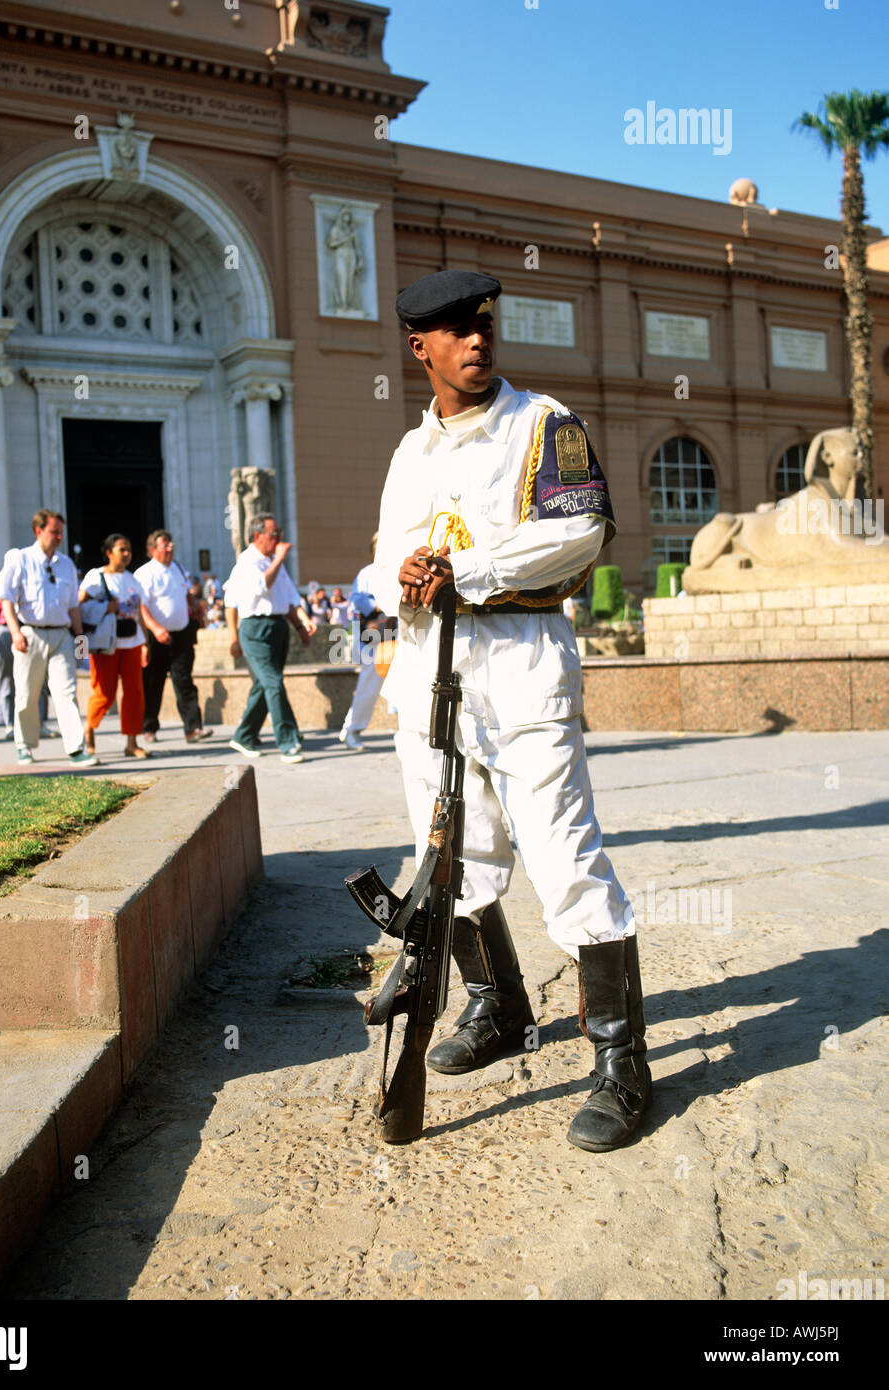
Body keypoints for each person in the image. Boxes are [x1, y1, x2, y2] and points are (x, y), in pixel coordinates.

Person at [374, 269, 650, 1152]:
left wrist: (471, 570)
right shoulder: (409, 453)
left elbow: (581, 529)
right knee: (452, 859)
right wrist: (405, 581)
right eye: (454, 331)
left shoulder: (544, 424)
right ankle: (497, 1007)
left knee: (566, 860)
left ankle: (619, 1062)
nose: (476, 341)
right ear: (420, 348)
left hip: (522, 670)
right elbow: (381, 561)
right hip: (428, 675)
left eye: (484, 325)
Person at [0, 508, 98, 768]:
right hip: (30, 633)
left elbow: (73, 606)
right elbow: (5, 599)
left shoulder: (67, 565)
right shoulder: (20, 559)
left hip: (61, 634)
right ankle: (24, 744)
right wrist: (16, 632)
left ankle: (76, 748)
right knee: (27, 692)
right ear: (39, 531)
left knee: (67, 691)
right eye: (54, 532)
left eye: (61, 532)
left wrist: (80, 640)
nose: (59, 537)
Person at [223, 514, 315, 763]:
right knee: (273, 682)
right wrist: (234, 637)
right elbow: (260, 587)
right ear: (257, 536)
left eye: (279, 533)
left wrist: (302, 623)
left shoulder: (274, 561)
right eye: (273, 534)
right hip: (255, 628)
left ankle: (244, 735)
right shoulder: (247, 562)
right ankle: (288, 741)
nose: (278, 539)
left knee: (265, 685)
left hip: (277, 626)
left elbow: (289, 598)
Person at [78, 534, 152, 760]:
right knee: (104, 692)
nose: (127, 553)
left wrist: (146, 642)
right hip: (105, 643)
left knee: (134, 693)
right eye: (122, 549)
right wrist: (104, 608)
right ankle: (89, 728)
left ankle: (132, 742)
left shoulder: (133, 580)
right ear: (109, 552)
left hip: (132, 642)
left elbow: (140, 613)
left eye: (129, 549)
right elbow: (80, 606)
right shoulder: (95, 576)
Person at [135, 530, 210, 744]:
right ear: (152, 550)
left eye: (170, 544)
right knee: (153, 683)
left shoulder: (177, 568)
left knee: (184, 680)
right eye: (164, 545)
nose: (170, 548)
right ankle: (148, 727)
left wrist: (195, 606)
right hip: (156, 636)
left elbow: (186, 593)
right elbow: (141, 608)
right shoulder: (145, 573)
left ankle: (193, 728)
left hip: (181, 634)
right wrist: (156, 629)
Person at [337, 532, 395, 752]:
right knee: (369, 686)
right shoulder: (367, 573)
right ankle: (351, 729)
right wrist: (382, 603)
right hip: (377, 638)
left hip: (401, 634)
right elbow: (358, 599)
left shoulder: (399, 566)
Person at [0, 583, 50, 736]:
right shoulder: (0, 586)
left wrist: (81, 651)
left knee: (39, 678)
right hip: (6, 632)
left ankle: (40, 723)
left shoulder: (35, 582)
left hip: (34, 629)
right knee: (8, 679)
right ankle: (9, 723)